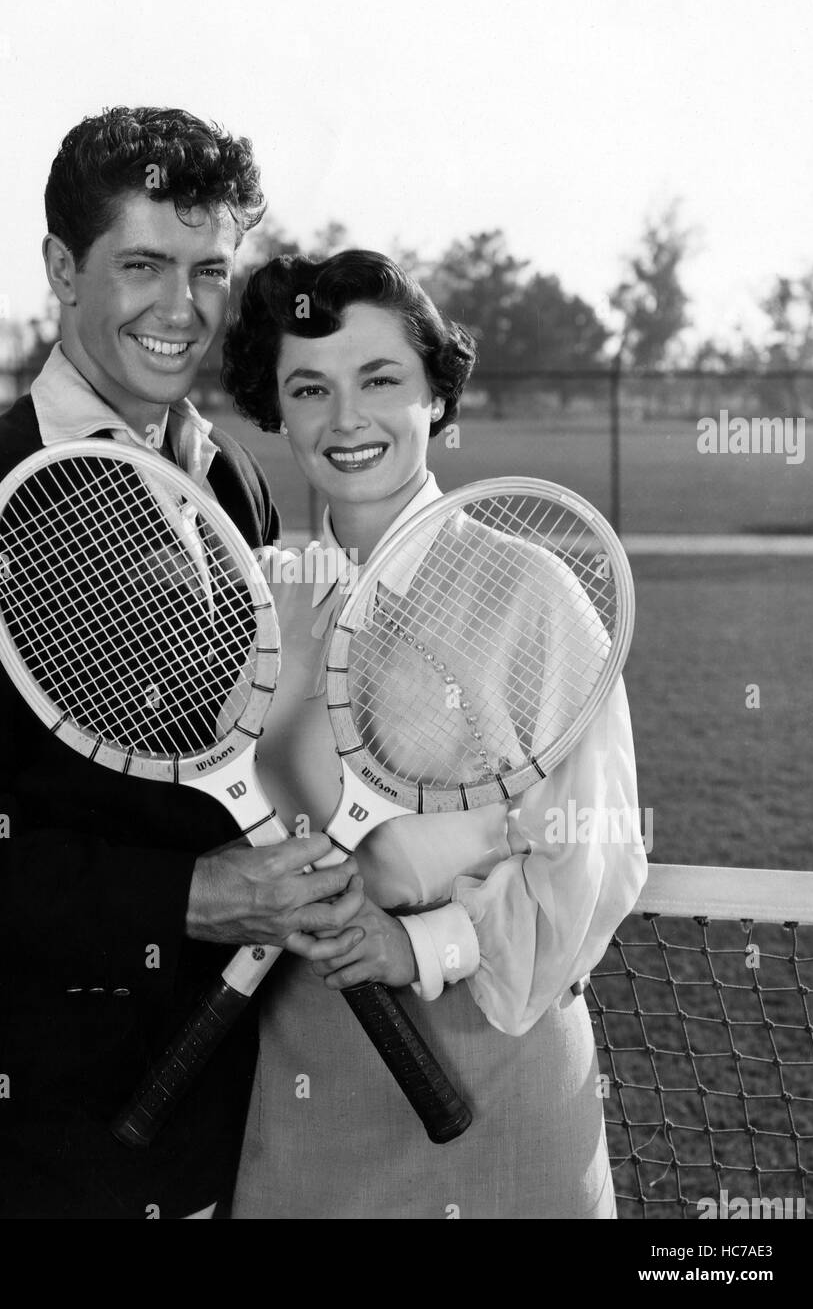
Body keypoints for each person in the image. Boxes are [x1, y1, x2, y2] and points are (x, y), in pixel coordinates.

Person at [0, 108, 363, 1220]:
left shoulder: (234, 484)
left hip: (254, 1094)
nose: (180, 309)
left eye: (209, 270)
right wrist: (189, 895)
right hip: (80, 1122)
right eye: (141, 265)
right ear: (59, 269)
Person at [221, 250, 649, 1219]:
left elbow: (595, 859)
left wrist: (411, 945)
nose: (345, 418)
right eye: (308, 387)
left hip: (495, 1076)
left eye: (381, 379)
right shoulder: (264, 606)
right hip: (305, 1086)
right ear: (275, 409)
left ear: (435, 401)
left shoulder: (532, 594)